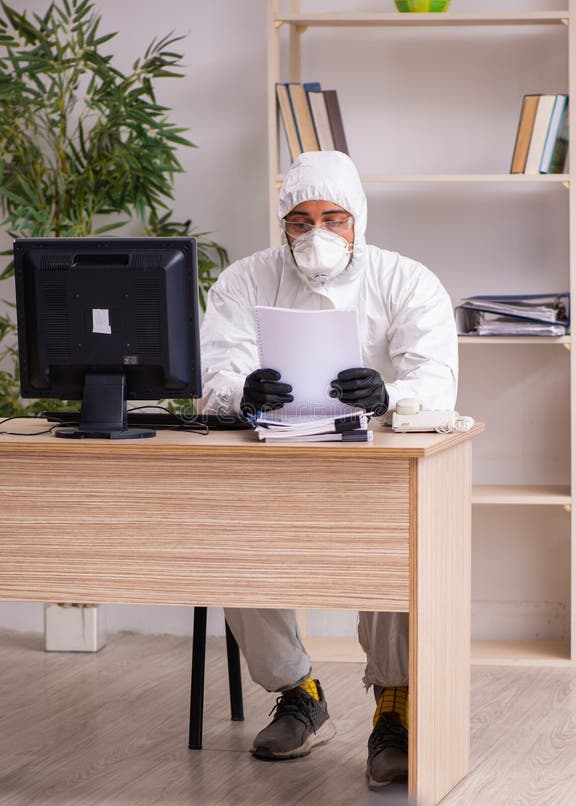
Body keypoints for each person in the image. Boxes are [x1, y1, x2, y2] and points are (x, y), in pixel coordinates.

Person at [199, 150, 458, 789]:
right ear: (282, 223)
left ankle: (392, 706)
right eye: (300, 220)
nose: (316, 234)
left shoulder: (405, 280)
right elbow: (216, 378)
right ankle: (298, 693)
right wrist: (242, 394)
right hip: (272, 461)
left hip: (372, 467)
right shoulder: (243, 280)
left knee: (403, 547)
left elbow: (438, 379)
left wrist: (389, 397)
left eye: (333, 219)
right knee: (235, 542)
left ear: (357, 220)